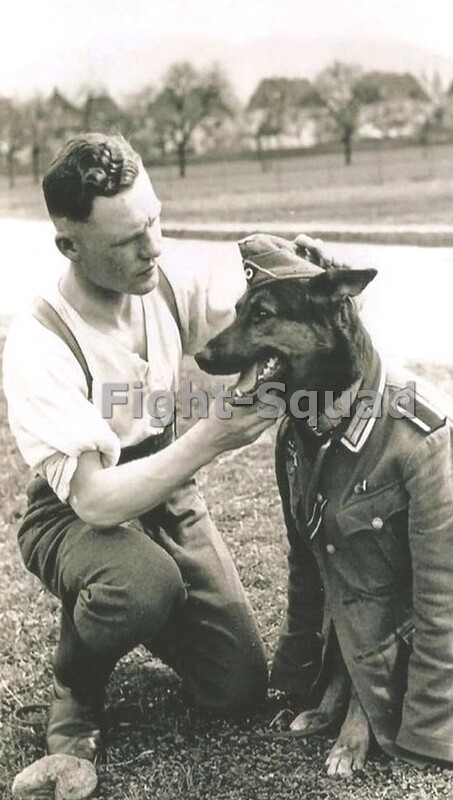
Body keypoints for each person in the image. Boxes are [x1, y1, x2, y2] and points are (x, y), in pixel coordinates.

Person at [2, 133, 273, 764]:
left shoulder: (164, 273)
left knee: (236, 687)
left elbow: (258, 289)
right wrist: (212, 435)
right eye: (128, 238)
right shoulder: (40, 342)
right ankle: (75, 686)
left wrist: (306, 267)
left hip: (166, 493)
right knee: (140, 581)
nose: (153, 246)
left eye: (154, 219)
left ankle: (134, 600)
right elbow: (94, 501)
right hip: (71, 514)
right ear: (70, 246)